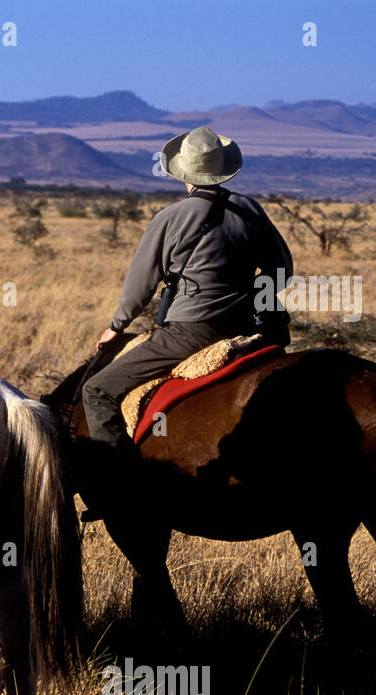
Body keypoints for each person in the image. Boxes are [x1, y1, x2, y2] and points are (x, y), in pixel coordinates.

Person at [81, 126, 292, 472]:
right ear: (222, 168)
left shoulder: (170, 218)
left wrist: (116, 327)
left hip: (188, 333)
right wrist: (252, 299)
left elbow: (139, 287)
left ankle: (117, 483)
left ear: (183, 172)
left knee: (97, 391)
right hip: (247, 329)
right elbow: (282, 270)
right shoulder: (250, 209)